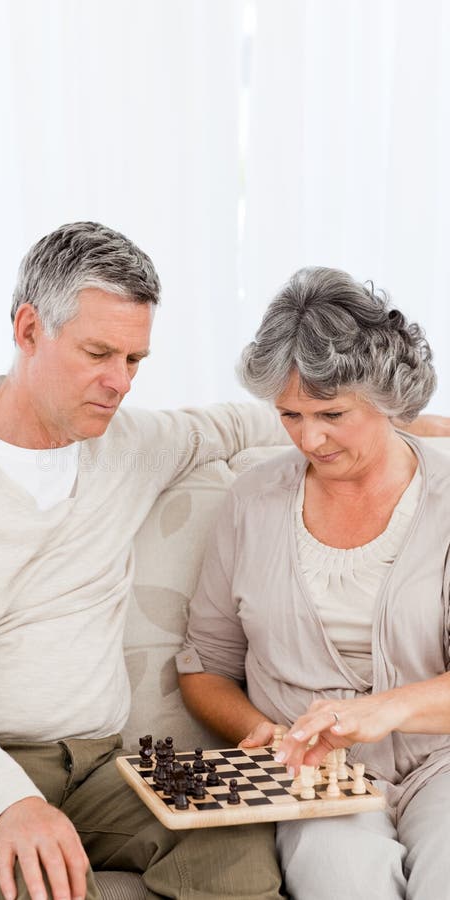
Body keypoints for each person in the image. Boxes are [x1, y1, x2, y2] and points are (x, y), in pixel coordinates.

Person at [0, 222, 289, 900]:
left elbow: (235, 424)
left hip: (95, 767)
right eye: (98, 353)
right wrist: (7, 803)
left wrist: (389, 421)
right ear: (29, 330)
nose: (120, 382)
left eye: (134, 359)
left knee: (234, 831)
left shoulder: (128, 445)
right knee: (35, 881)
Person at [177, 266, 450, 900]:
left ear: (388, 400)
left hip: (441, 762)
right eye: (290, 415)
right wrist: (264, 733)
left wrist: (383, 709)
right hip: (312, 775)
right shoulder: (251, 502)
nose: (310, 438)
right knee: (345, 881)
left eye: (332, 413)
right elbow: (205, 666)